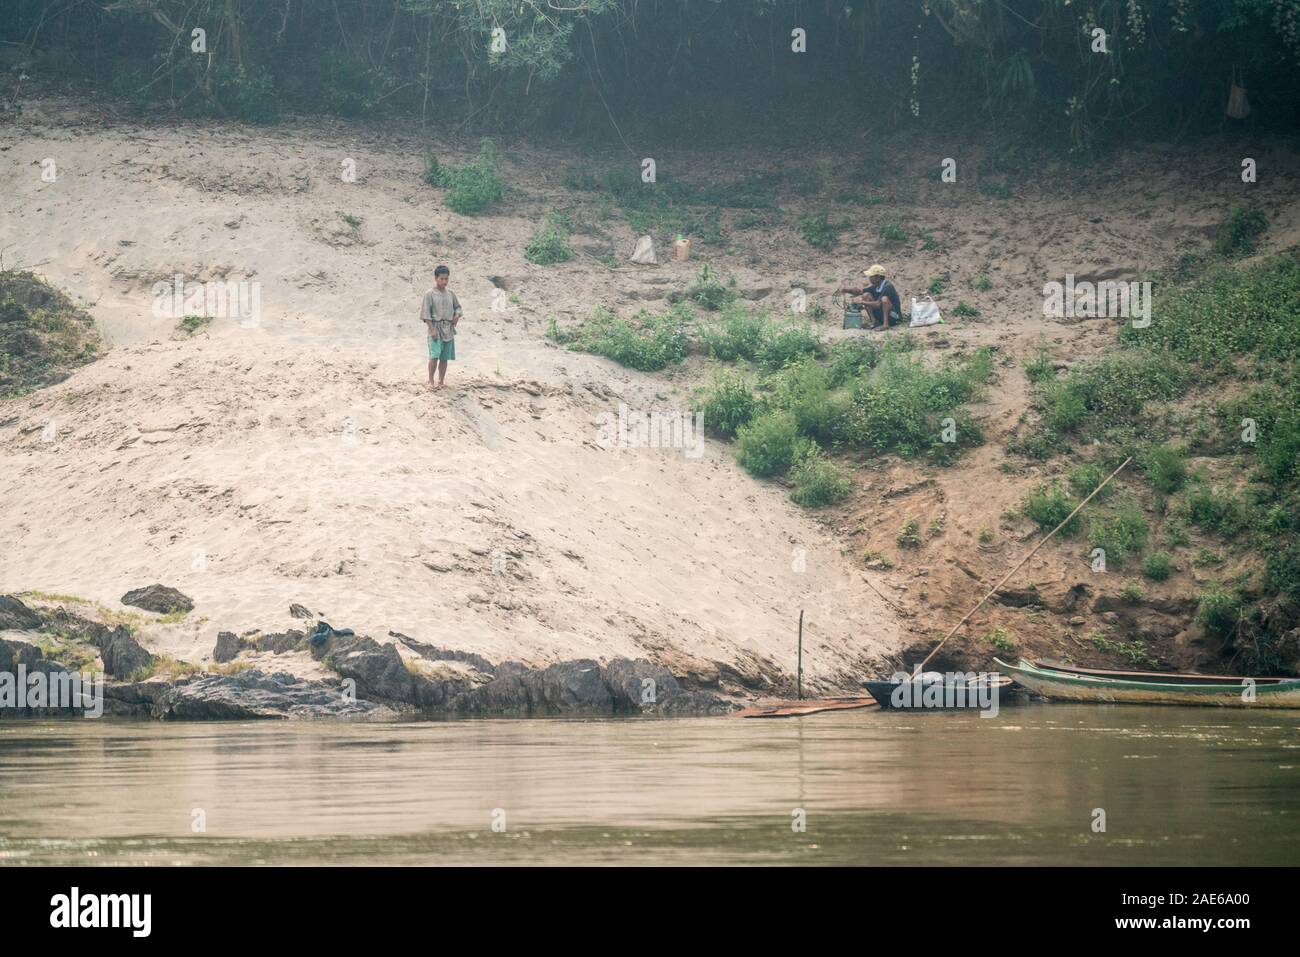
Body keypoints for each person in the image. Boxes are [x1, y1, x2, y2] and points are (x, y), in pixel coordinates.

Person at [419, 265, 463, 390]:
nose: (444, 281)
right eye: (442, 278)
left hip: (448, 328)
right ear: (436, 278)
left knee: (444, 357)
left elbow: (458, 307)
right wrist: (432, 330)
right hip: (435, 327)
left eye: (446, 279)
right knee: (434, 355)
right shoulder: (429, 294)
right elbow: (426, 313)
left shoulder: (450, 294)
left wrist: (457, 315)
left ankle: (441, 381)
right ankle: (430, 381)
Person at [841, 263, 903, 330]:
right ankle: (874, 322)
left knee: (884, 299)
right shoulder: (876, 286)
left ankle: (885, 325)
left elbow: (878, 304)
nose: (869, 279)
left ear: (878, 277)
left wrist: (861, 301)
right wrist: (847, 290)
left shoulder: (888, 287)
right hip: (884, 316)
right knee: (866, 295)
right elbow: (860, 292)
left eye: (871, 277)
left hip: (894, 318)